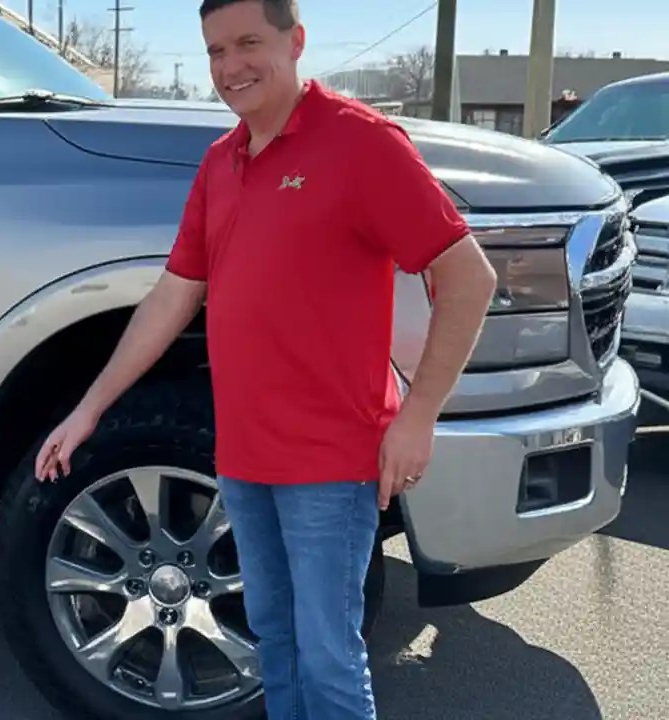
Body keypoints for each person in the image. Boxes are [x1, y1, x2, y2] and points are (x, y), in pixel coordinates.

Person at [32, 0, 498, 718]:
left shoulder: (362, 144)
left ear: (296, 40)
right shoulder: (222, 163)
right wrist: (88, 410)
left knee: (329, 660)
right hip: (244, 459)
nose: (230, 66)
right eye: (216, 51)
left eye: (248, 43)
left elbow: (468, 278)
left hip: (331, 466)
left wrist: (420, 416)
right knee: (273, 644)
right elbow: (172, 296)